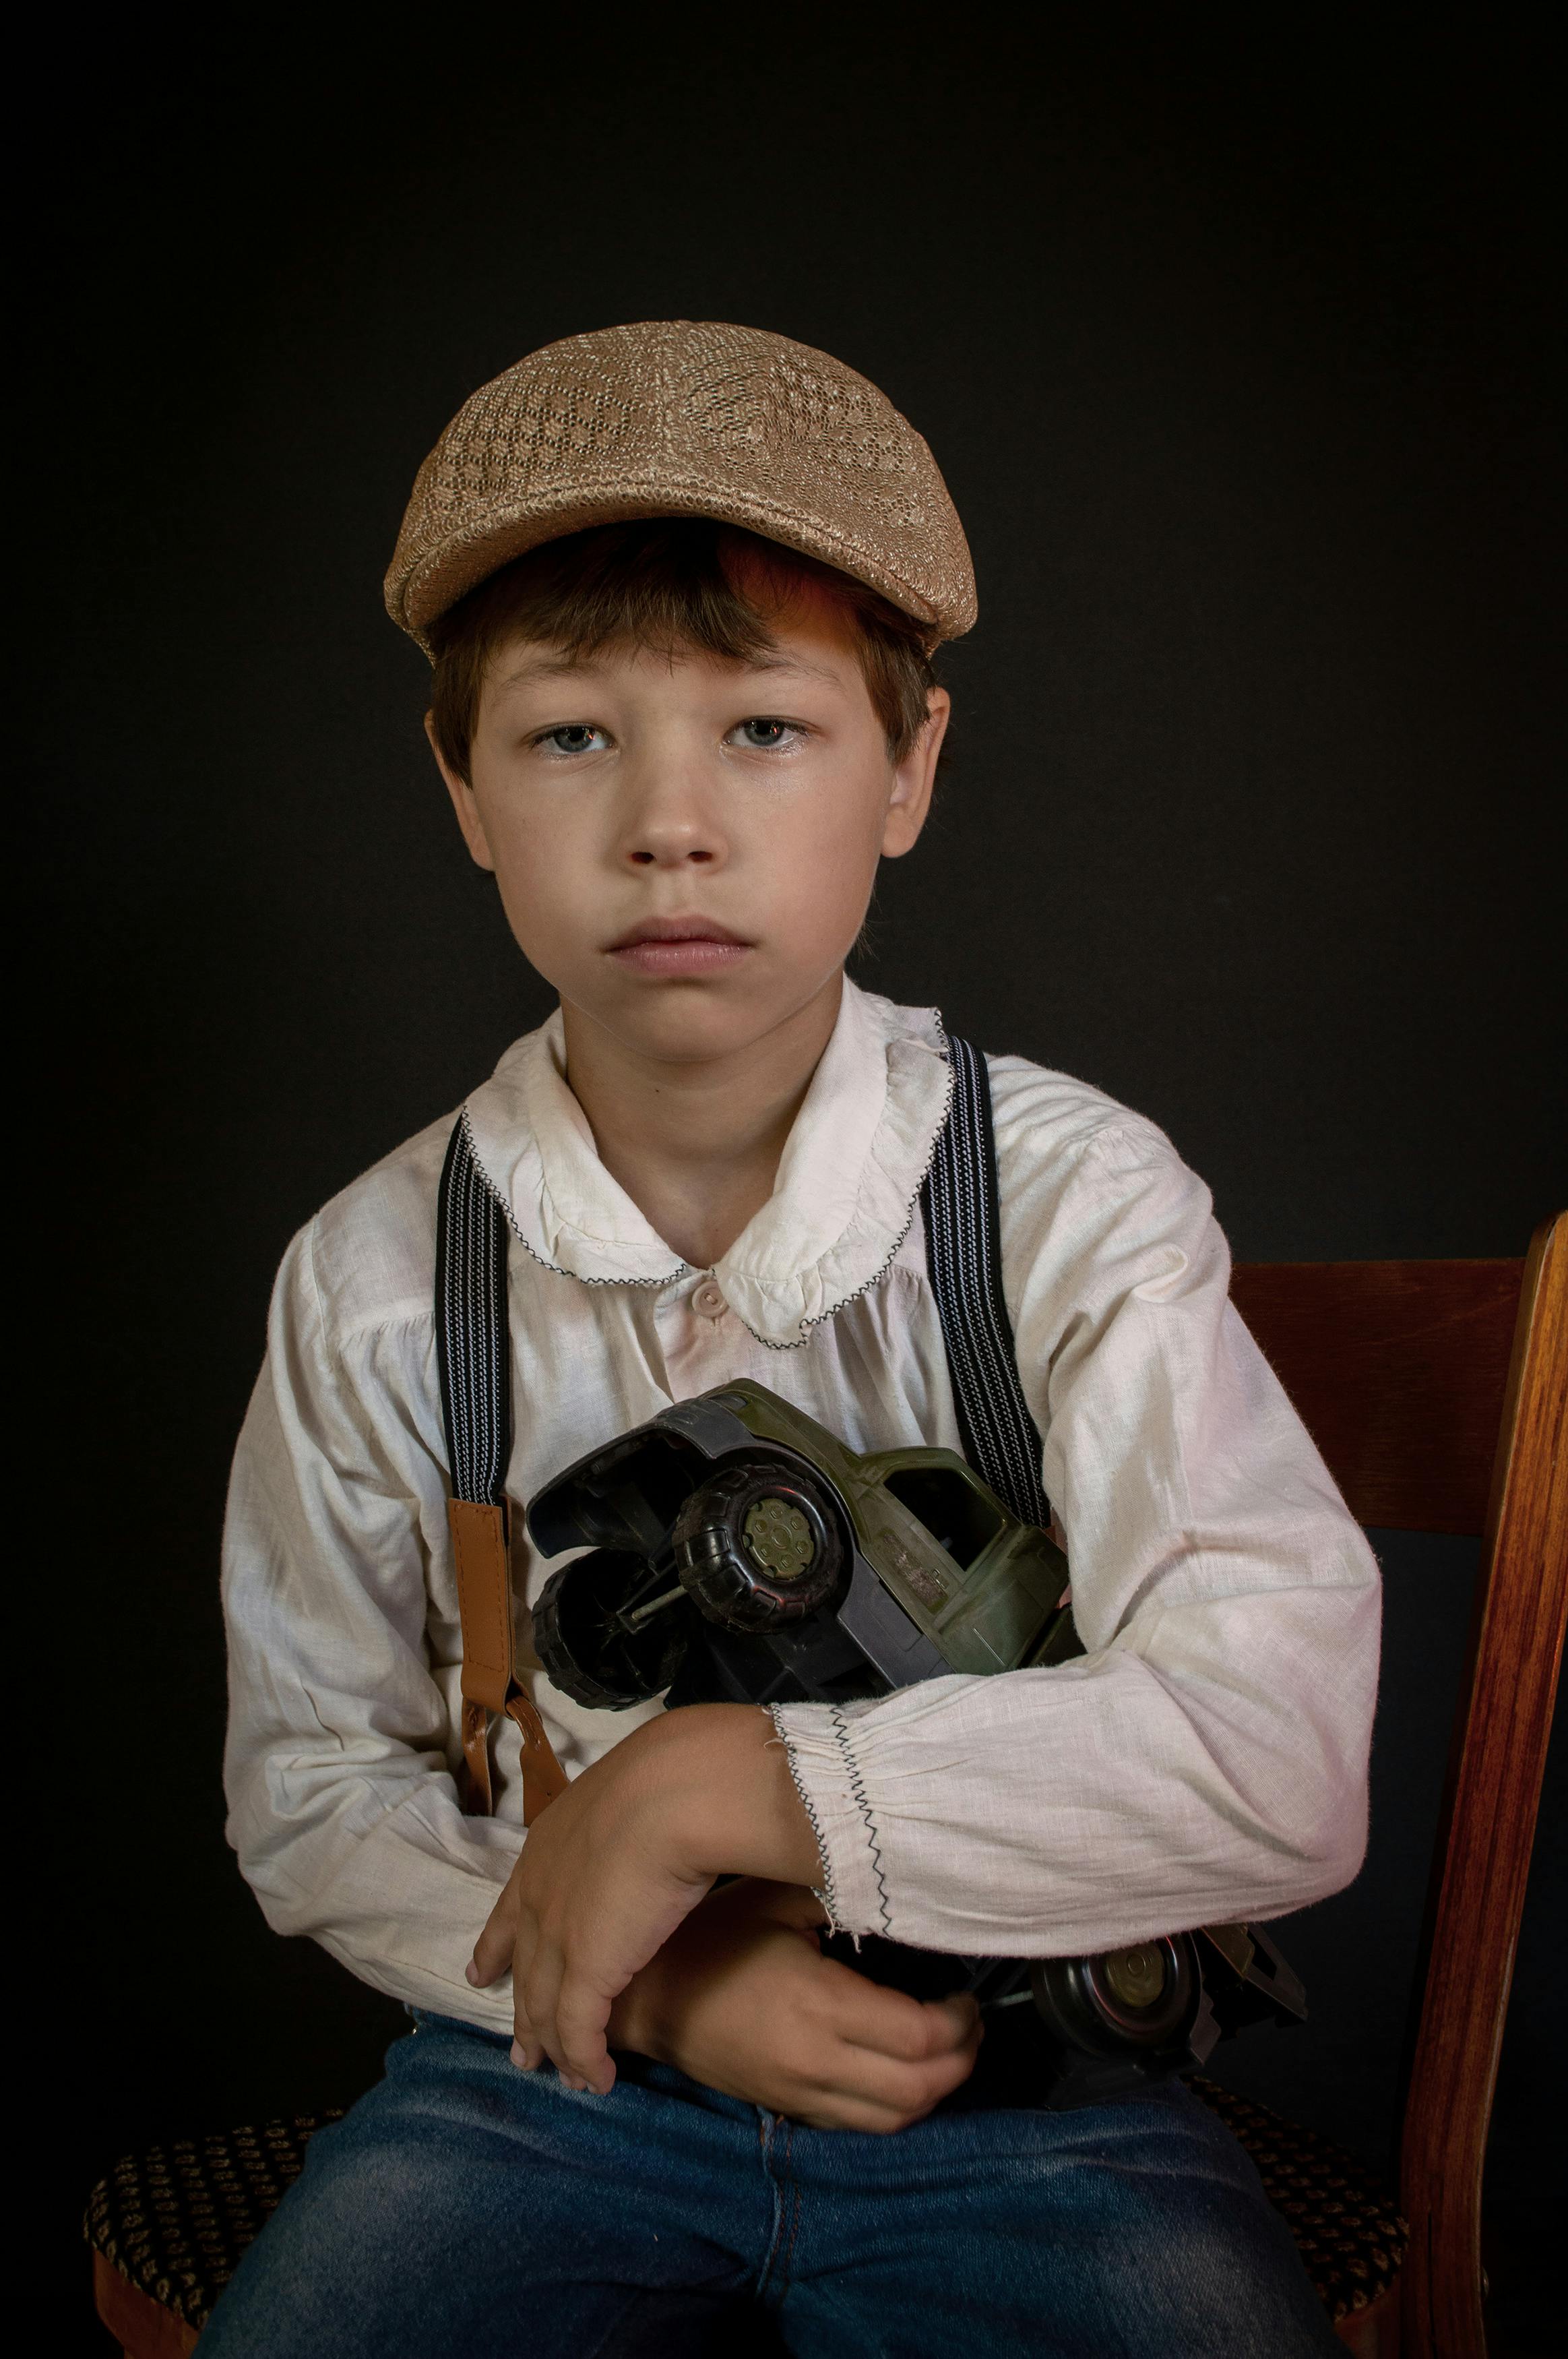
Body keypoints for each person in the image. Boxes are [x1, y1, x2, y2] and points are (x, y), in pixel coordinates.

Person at [206, 321, 1377, 2356]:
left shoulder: (1067, 1201)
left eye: (764, 727)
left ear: (910, 766)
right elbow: (310, 1775)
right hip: (549, 2077)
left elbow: (1278, 1752)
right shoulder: (382, 1279)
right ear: (459, 785)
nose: (671, 821)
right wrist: (655, 1979)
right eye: (573, 734)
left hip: (1029, 2107)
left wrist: (713, 1787)